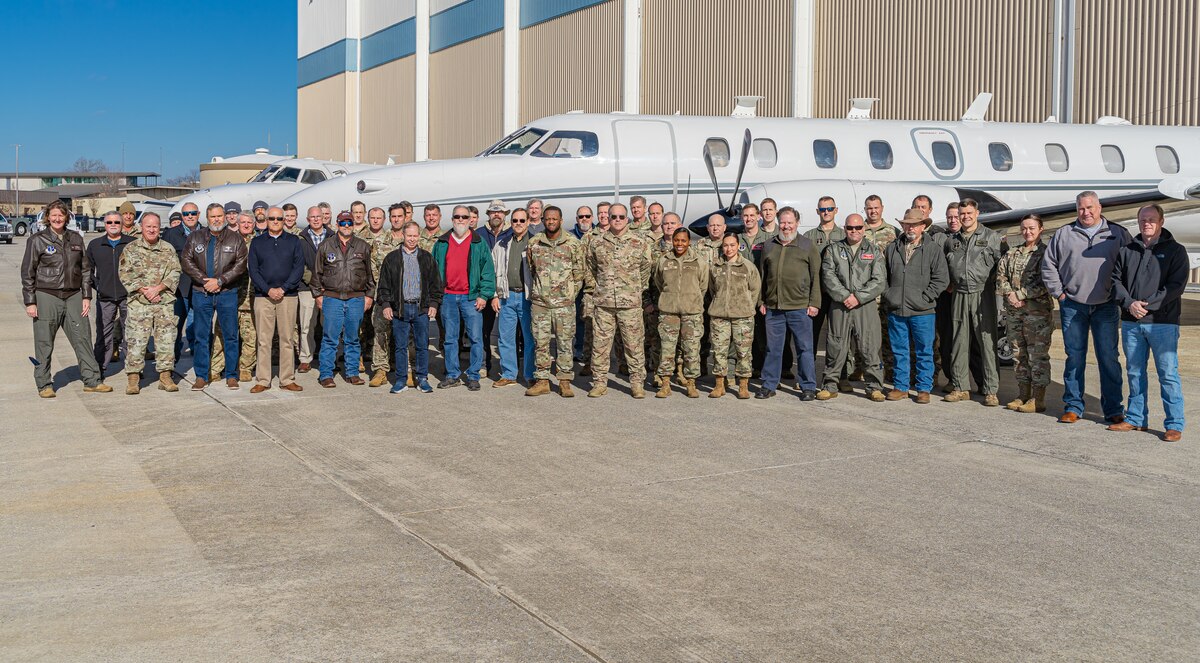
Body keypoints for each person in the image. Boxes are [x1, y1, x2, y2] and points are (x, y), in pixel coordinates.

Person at [1041, 191, 1131, 424]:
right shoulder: (1064, 234)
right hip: (1073, 305)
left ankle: (1113, 409)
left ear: (1099, 208)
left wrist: (1123, 296)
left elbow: (1132, 264)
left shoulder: (1117, 233)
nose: (1086, 212)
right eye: (1081, 208)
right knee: (1074, 358)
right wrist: (1059, 294)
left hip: (1106, 306)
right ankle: (1073, 406)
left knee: (1109, 358)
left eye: (1090, 207)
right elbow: (1049, 264)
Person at [1109, 204, 1188, 441]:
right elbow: (1115, 281)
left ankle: (1174, 424)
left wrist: (1147, 304)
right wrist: (1130, 303)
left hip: (1163, 323)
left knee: (1168, 373)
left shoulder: (1176, 251)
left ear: (1161, 221)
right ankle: (1135, 418)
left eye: (1152, 219)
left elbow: (1176, 286)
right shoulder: (1127, 250)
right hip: (1132, 323)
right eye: (1143, 219)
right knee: (1134, 372)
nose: (1147, 224)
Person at [22, 200, 111, 397]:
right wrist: (30, 301)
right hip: (47, 295)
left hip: (73, 295)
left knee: (83, 338)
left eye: (61, 215)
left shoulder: (76, 239)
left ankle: (92, 380)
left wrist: (86, 296)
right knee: (44, 342)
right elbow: (28, 272)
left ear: (67, 217)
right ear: (47, 217)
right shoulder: (37, 240)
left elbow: (86, 270)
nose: (57, 219)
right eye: (53, 215)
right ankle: (44, 384)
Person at [816, 214, 887, 402]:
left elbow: (879, 280)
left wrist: (858, 297)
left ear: (863, 229)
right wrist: (845, 296)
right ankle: (830, 384)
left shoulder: (874, 251)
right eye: (849, 228)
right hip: (840, 305)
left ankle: (874, 387)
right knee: (836, 344)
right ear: (845, 228)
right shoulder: (833, 250)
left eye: (857, 228)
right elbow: (828, 276)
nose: (853, 231)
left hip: (865, 305)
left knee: (870, 345)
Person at [584, 202, 652, 398]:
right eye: (613, 217)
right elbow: (590, 268)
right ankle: (599, 382)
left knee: (634, 344)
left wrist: (633, 289)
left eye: (621, 217)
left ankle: (637, 383)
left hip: (629, 304)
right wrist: (600, 288)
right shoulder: (597, 242)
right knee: (600, 345)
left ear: (627, 218)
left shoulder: (639, 242)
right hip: (604, 303)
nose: (617, 220)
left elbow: (645, 269)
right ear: (608, 218)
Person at [881, 209, 948, 403]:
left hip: (923, 311)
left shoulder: (933, 249)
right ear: (902, 226)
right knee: (899, 350)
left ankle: (923, 388)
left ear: (922, 226)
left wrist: (926, 297)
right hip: (897, 308)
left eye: (914, 224)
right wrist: (889, 294)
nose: (910, 227)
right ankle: (901, 386)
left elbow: (941, 278)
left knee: (924, 350)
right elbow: (883, 275)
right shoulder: (892, 247)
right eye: (907, 224)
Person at [181, 203, 248, 390]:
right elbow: (186, 261)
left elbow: (241, 264)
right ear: (207, 218)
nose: (217, 219)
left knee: (231, 335)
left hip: (227, 293)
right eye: (213, 217)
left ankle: (232, 375)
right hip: (201, 293)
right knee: (202, 335)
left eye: (220, 216)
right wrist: (205, 280)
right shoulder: (195, 238)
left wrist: (220, 281)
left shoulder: (235, 239)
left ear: (225, 217)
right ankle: (202, 375)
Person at [757, 207, 822, 400]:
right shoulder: (769, 245)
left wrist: (814, 303)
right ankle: (769, 384)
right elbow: (762, 275)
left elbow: (815, 276)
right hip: (774, 308)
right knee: (773, 348)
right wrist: (762, 300)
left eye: (790, 222)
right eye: (783, 222)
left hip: (800, 307)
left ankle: (808, 386)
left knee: (804, 348)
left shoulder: (807, 245)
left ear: (797, 223)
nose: (786, 226)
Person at [942, 198, 1003, 405]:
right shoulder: (952, 240)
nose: (965, 217)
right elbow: (946, 265)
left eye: (969, 213)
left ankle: (990, 390)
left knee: (986, 342)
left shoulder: (992, 237)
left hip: (982, 294)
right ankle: (960, 387)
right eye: (962, 214)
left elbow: (1001, 266)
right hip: (959, 293)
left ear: (977, 213)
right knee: (959, 341)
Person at [432, 206, 496, 390]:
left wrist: (484, 295)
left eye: (464, 217)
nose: (461, 219)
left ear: (470, 219)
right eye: (457, 216)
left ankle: (473, 375)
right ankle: (452, 375)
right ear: (452, 219)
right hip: (449, 298)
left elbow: (488, 271)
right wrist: (437, 297)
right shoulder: (442, 242)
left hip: (471, 298)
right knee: (450, 339)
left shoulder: (478, 242)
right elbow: (434, 272)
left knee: (476, 338)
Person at [117, 212, 180, 394]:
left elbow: (175, 272)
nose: (152, 230)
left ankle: (165, 376)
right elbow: (125, 273)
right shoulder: (131, 249)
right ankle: (133, 378)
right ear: (142, 228)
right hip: (139, 303)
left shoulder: (168, 249)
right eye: (148, 226)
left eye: (155, 226)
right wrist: (145, 291)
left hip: (164, 302)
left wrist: (158, 288)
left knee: (166, 341)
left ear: (160, 228)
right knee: (136, 341)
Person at [524, 205, 584, 397]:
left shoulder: (572, 243)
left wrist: (568, 295)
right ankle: (542, 380)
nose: (551, 222)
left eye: (554, 219)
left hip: (564, 305)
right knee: (540, 343)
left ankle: (565, 381)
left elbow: (579, 273)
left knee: (565, 342)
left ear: (560, 220)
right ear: (543, 220)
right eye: (547, 219)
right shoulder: (534, 243)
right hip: (541, 304)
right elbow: (533, 269)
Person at [996, 214, 1054, 413]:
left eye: (1031, 228)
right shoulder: (1013, 253)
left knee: (1037, 356)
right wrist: (1010, 294)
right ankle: (1023, 394)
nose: (1027, 232)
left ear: (1041, 229)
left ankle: (1038, 399)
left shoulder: (1046, 254)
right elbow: (1001, 275)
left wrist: (1020, 293)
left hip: (1037, 315)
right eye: (1024, 228)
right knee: (1018, 354)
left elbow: (1047, 283)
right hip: (1014, 313)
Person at [376, 222, 442, 394]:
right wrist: (386, 305)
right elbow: (383, 285)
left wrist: (434, 304)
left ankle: (422, 378)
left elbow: (436, 284)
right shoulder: (392, 258)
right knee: (400, 346)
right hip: (400, 309)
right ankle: (401, 380)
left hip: (421, 309)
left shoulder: (427, 258)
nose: (412, 239)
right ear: (403, 236)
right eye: (409, 236)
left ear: (418, 236)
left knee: (421, 345)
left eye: (415, 236)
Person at [313, 211, 374, 387]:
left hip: (356, 298)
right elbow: (317, 274)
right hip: (332, 298)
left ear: (353, 225)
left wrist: (369, 296)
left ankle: (352, 372)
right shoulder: (326, 246)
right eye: (342, 223)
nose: (346, 226)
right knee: (330, 338)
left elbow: (369, 275)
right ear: (337, 225)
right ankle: (326, 374)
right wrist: (318, 295)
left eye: (349, 223)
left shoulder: (362, 246)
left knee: (353, 338)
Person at [247, 206, 305, 393]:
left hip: (287, 297)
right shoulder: (257, 242)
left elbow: (298, 268)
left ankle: (287, 379)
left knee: (287, 338)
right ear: (266, 220)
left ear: (284, 221)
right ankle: (263, 380)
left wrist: (283, 288)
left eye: (279, 219)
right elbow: (253, 270)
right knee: (264, 340)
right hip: (263, 297)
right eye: (271, 218)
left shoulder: (294, 241)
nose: (275, 222)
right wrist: (268, 289)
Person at [653, 227, 709, 398]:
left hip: (691, 312)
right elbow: (659, 282)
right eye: (677, 240)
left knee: (691, 349)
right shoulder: (664, 260)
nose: (679, 244)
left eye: (683, 240)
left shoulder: (699, 262)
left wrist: (690, 299)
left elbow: (703, 286)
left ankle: (691, 383)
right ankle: (666, 383)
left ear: (689, 242)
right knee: (667, 349)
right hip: (669, 312)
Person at [708, 233, 760, 399]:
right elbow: (711, 288)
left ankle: (743, 385)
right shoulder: (716, 266)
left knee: (743, 352)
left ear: (738, 246)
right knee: (718, 350)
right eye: (725, 245)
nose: (728, 249)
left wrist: (745, 306)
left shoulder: (747, 266)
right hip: (719, 315)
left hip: (743, 316)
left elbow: (754, 290)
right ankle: (719, 384)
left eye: (732, 245)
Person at [86, 211, 136, 381]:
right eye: (109, 222)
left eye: (116, 222)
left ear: (122, 224)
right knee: (103, 334)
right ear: (104, 224)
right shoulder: (95, 245)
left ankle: (134, 369)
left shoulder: (132, 244)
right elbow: (87, 270)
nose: (113, 225)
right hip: (105, 298)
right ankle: (100, 367)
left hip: (128, 297)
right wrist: (98, 286)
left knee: (130, 333)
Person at [210, 212, 257, 382]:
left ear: (254, 224)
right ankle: (216, 367)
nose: (246, 225)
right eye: (243, 222)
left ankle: (245, 367)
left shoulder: (259, 242)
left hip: (249, 297)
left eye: (249, 222)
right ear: (236, 223)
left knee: (250, 336)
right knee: (221, 334)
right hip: (228, 295)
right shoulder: (228, 241)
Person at [490, 209, 535, 386]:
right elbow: (492, 272)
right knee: (505, 338)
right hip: (506, 297)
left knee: (530, 338)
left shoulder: (535, 243)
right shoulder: (501, 244)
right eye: (515, 220)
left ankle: (530, 375)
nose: (518, 223)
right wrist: (494, 295)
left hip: (527, 298)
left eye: (522, 220)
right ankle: (509, 374)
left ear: (528, 222)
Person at [366, 204, 407, 387]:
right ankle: (380, 370)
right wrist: (385, 290)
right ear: (390, 219)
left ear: (405, 217)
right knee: (381, 334)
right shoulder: (380, 241)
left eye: (400, 216)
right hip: (384, 297)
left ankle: (406, 369)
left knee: (407, 335)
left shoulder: (412, 240)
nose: (397, 219)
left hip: (406, 298)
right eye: (394, 216)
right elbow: (373, 267)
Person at [804, 196, 846, 349]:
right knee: (811, 334)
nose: (826, 212)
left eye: (829, 209)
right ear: (817, 211)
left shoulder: (844, 235)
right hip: (817, 293)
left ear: (836, 210)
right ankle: (809, 371)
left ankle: (837, 371)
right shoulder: (809, 237)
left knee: (838, 334)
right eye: (822, 209)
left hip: (837, 293)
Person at [163, 202, 202, 360]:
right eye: (186, 214)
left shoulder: (207, 233)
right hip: (179, 289)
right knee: (175, 328)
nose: (190, 216)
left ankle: (201, 360)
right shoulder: (171, 234)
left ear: (198, 214)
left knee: (201, 328)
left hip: (201, 288)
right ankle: (171, 364)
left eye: (193, 213)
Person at [297, 205, 332, 373]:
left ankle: (329, 358)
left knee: (329, 325)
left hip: (329, 289)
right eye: (313, 217)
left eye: (319, 216)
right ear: (308, 219)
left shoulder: (333, 236)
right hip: (306, 288)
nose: (316, 219)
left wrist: (326, 284)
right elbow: (299, 265)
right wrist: (315, 283)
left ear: (324, 218)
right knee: (306, 325)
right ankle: (305, 358)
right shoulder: (301, 238)